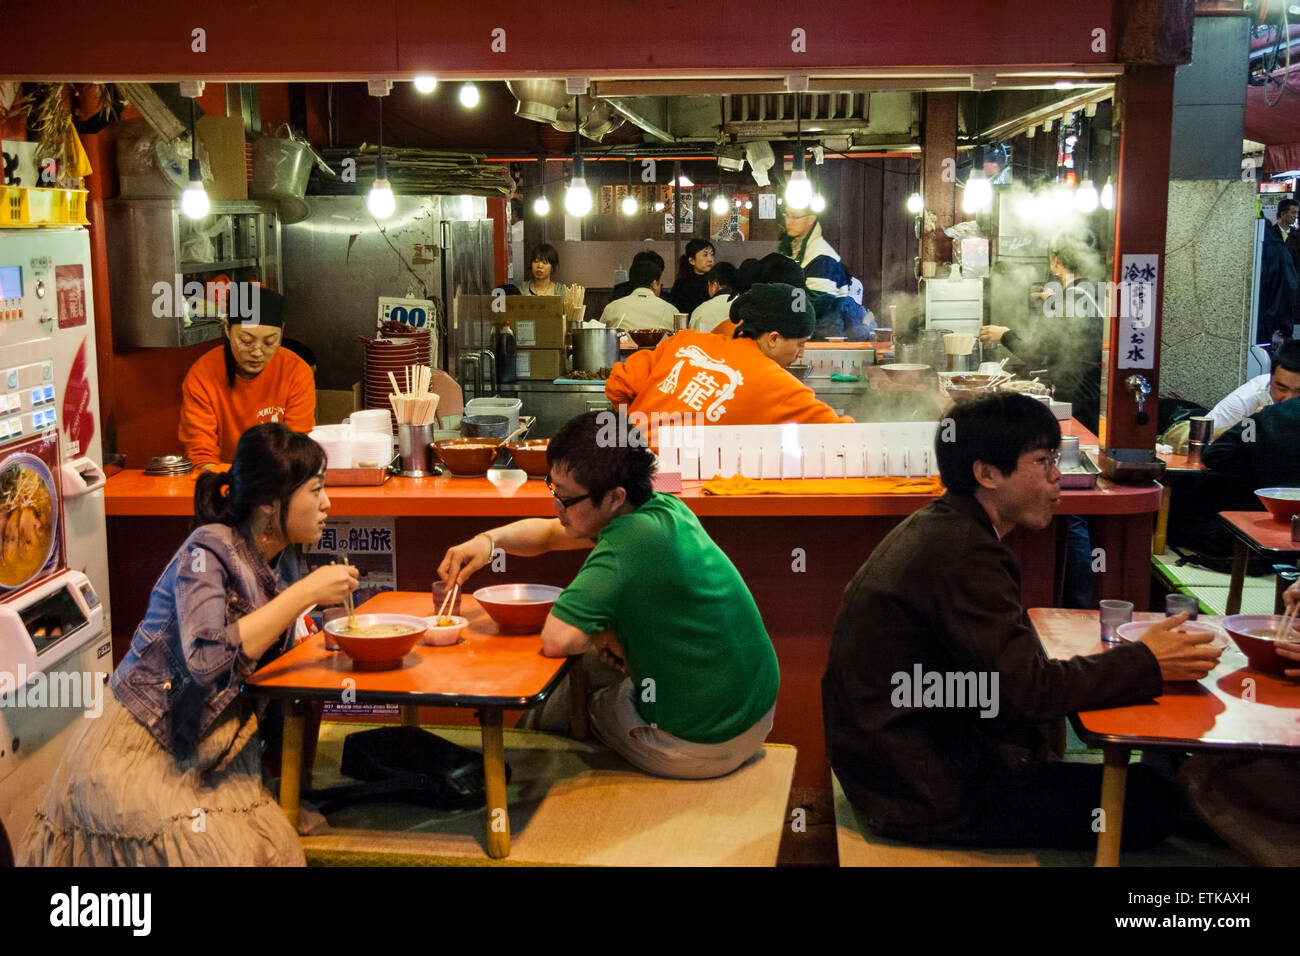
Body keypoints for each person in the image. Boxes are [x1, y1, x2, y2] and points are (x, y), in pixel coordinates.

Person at [822, 393, 1222, 849]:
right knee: (1154, 802)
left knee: (1151, 781)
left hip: (905, 766)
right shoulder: (963, 552)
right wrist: (1148, 662)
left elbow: (1011, 684)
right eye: (1043, 460)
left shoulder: (949, 528)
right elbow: (1027, 693)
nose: (1058, 477)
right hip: (923, 792)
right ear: (986, 474)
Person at [20, 424, 359, 866]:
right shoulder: (209, 550)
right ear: (269, 503)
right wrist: (306, 593)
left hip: (212, 751)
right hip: (142, 747)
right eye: (316, 490)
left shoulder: (285, 558)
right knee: (217, 856)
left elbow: (274, 642)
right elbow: (205, 660)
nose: (327, 503)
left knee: (277, 849)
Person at [436, 411, 779, 779]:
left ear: (614, 497)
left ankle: (520, 780)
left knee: (565, 702)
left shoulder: (625, 544)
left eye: (565, 498)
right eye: (553, 490)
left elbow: (558, 639)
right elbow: (552, 533)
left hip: (700, 743)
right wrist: (489, 541)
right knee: (592, 668)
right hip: (752, 713)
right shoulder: (661, 508)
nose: (556, 507)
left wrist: (598, 630)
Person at [605, 282, 850, 447]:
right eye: (800, 344)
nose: (801, 354)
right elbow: (842, 436)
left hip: (625, 476)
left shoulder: (685, 341)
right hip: (678, 487)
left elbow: (618, 383)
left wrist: (630, 440)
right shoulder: (779, 385)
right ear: (773, 338)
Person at [980, 233, 1104, 434]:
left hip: (1078, 401)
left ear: (1056, 261)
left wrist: (1004, 334)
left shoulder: (1068, 301)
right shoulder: (1093, 291)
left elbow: (1036, 355)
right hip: (1100, 396)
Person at [179, 287, 316, 469]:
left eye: (269, 342)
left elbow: (296, 446)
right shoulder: (202, 374)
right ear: (227, 328)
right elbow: (201, 455)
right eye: (246, 341)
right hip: (222, 479)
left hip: (279, 478)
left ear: (282, 332)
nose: (257, 352)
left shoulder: (296, 371)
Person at [780, 207, 874, 341]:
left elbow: (813, 305)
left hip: (821, 340)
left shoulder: (822, 257)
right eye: (786, 215)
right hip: (806, 337)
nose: (788, 221)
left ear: (810, 219)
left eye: (795, 217)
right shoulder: (792, 251)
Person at [1207, 339, 1300, 435]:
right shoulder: (1247, 399)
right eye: (1282, 388)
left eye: (1299, 391)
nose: (1289, 399)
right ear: (1270, 380)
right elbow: (1205, 436)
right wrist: (1254, 425)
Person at [599, 257, 678, 332]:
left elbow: (600, 335)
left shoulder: (611, 308)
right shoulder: (672, 311)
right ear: (654, 284)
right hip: (662, 346)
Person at [1259, 200, 1297, 346]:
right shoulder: (1270, 236)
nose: (1295, 216)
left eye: (1296, 213)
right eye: (1293, 212)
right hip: (1275, 297)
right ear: (1283, 213)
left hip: (1287, 296)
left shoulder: (1296, 237)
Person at [668, 238, 715, 316]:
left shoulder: (716, 281)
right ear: (692, 260)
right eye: (705, 255)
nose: (710, 259)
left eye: (712, 254)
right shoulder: (681, 284)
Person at [687, 261, 738, 333]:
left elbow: (691, 341)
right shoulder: (748, 307)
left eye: (708, 285)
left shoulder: (700, 311)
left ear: (715, 285)